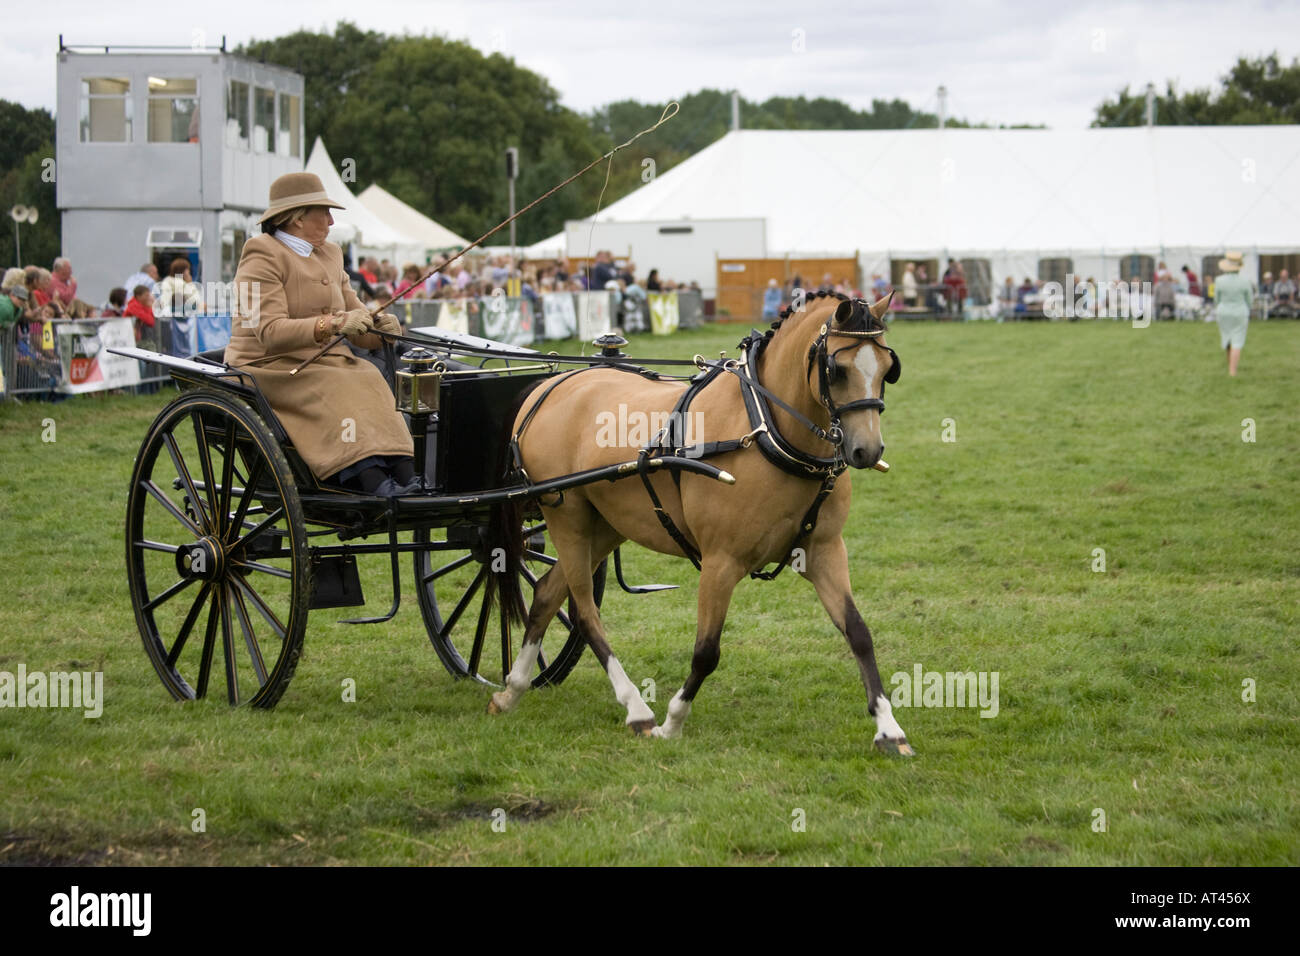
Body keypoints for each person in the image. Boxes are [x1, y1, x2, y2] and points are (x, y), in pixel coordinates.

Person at [224, 172, 417, 496]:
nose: (330, 221)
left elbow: (356, 318)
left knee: (368, 374)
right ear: (297, 217)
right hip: (270, 365)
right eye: (323, 213)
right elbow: (269, 332)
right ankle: (372, 480)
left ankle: (407, 475)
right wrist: (333, 325)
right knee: (340, 382)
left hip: (326, 362)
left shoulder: (331, 253)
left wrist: (381, 328)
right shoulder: (260, 254)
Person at [1212, 252, 1252, 377]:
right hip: (1240, 312)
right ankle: (1232, 371)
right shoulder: (1245, 281)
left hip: (1223, 312)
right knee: (1237, 340)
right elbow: (1249, 300)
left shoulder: (1219, 280)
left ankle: (1230, 365)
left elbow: (1216, 299)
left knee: (1227, 338)